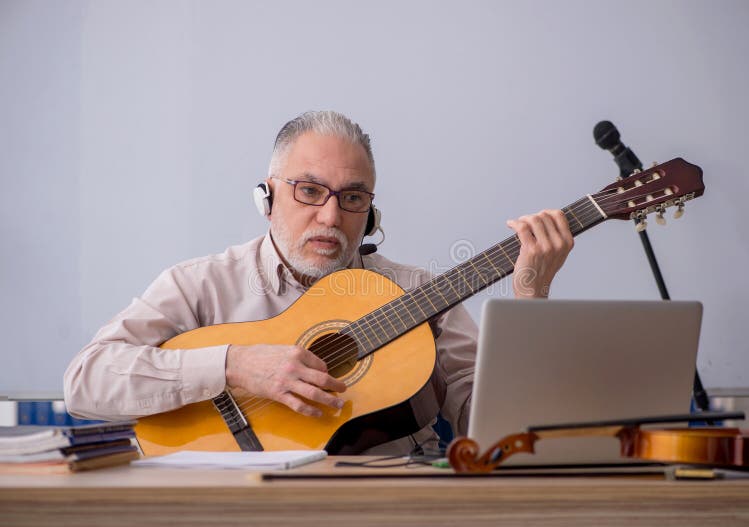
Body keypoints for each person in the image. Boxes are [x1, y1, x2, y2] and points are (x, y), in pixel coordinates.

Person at [63, 111, 574, 455]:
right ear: (266, 196)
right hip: (233, 514)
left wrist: (532, 301)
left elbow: (499, 438)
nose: (330, 216)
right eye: (309, 190)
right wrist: (233, 365)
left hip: (390, 515)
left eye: (352, 198)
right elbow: (86, 383)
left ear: (370, 213)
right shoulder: (201, 284)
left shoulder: (417, 294)